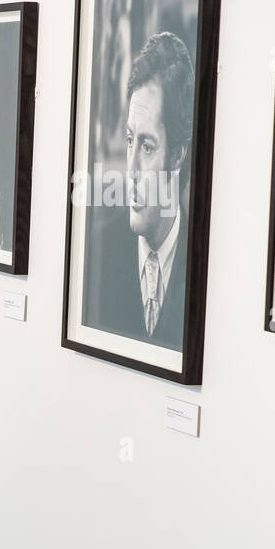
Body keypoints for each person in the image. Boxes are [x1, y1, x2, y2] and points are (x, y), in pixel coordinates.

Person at [84, 32, 192, 347]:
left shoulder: (205, 260)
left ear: (176, 154)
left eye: (146, 146)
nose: (129, 170)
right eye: (129, 139)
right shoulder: (97, 251)